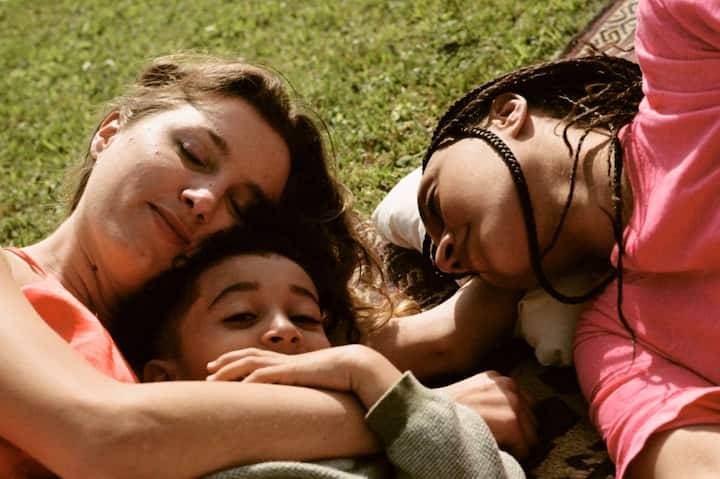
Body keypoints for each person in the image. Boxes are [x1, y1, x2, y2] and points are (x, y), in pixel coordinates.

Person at [0, 53, 533, 478]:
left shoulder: (200, 345)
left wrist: (534, 221)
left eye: (241, 207)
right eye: (192, 152)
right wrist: (414, 416)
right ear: (111, 131)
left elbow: (445, 340)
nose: (204, 200)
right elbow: (99, 437)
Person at [414, 0, 720, 477]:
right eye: (446, 261)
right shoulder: (616, 345)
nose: (448, 258)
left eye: (434, 200)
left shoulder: (682, 41)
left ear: (506, 113)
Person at [111, 222, 526, 479]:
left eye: (308, 319)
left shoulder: (398, 438)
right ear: (164, 382)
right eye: (240, 316)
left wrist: (368, 371)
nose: (284, 331)